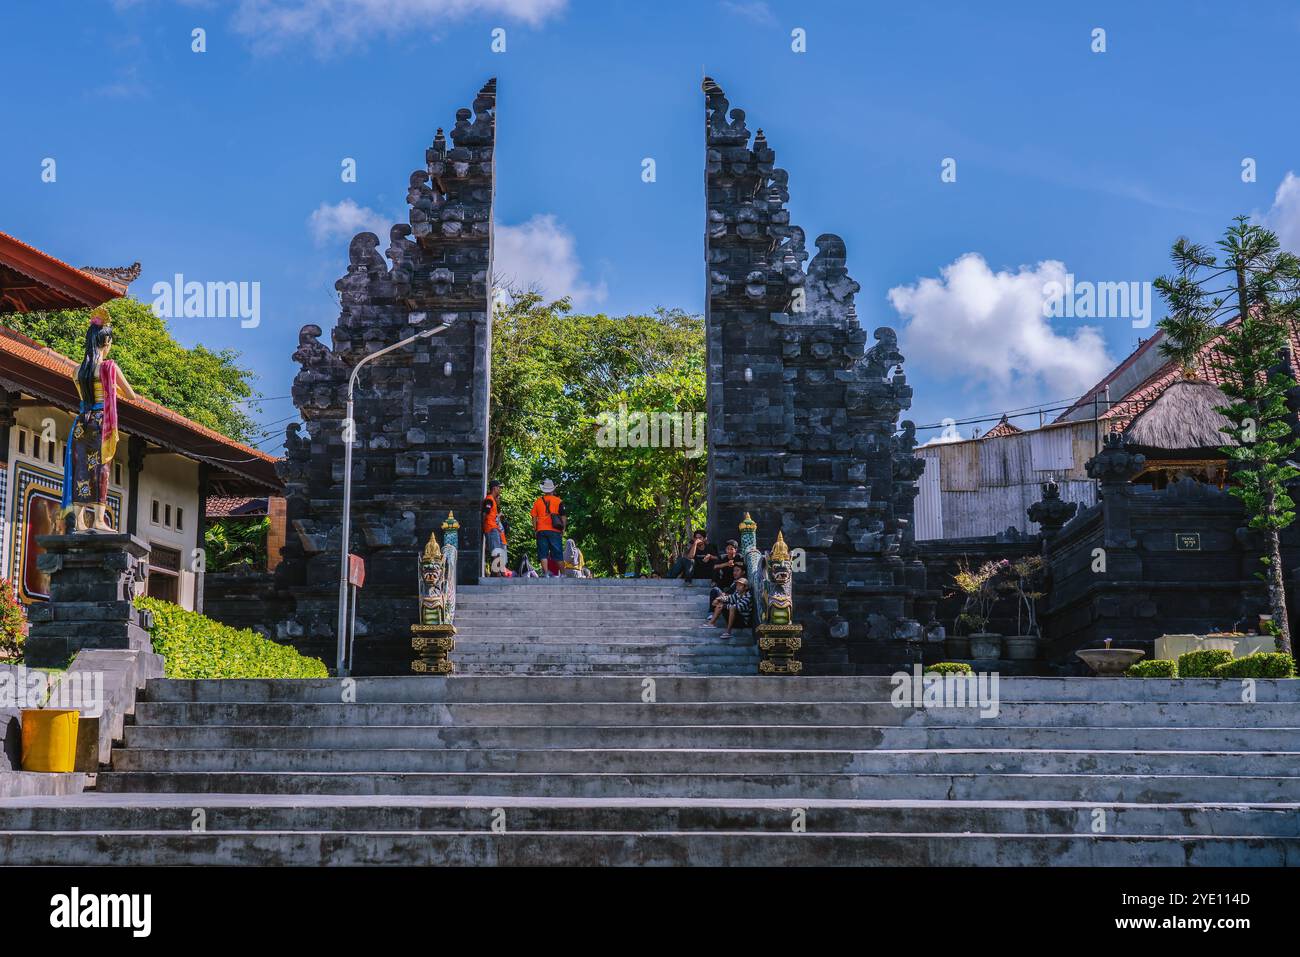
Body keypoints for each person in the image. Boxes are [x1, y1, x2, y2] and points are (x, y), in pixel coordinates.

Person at [62, 309, 138, 532]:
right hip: (101, 421)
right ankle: (97, 520)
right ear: (106, 341)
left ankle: (77, 521)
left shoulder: (77, 371)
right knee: (101, 468)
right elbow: (131, 395)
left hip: (82, 422)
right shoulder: (109, 368)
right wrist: (112, 388)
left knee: (81, 469)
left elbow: (83, 398)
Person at [530, 478, 566, 578]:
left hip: (541, 530)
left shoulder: (537, 502)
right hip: (554, 530)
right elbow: (563, 516)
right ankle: (563, 574)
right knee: (558, 553)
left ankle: (546, 574)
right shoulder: (558, 501)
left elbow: (534, 517)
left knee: (543, 553)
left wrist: (535, 529)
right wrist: (563, 528)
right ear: (553, 490)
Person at [481, 480, 507, 576]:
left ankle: (495, 572)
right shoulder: (489, 499)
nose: (500, 489)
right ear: (494, 488)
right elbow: (485, 513)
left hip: (494, 528)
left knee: (498, 551)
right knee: (496, 551)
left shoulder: (493, 499)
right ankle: (496, 574)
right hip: (491, 528)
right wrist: (484, 527)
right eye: (499, 487)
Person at [707, 540, 742, 606]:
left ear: (736, 550)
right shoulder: (722, 557)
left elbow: (742, 565)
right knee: (717, 569)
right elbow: (715, 567)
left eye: (731, 549)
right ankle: (714, 582)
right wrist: (726, 564)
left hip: (735, 580)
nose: (729, 551)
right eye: (727, 549)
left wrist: (734, 564)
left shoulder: (739, 557)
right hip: (724, 579)